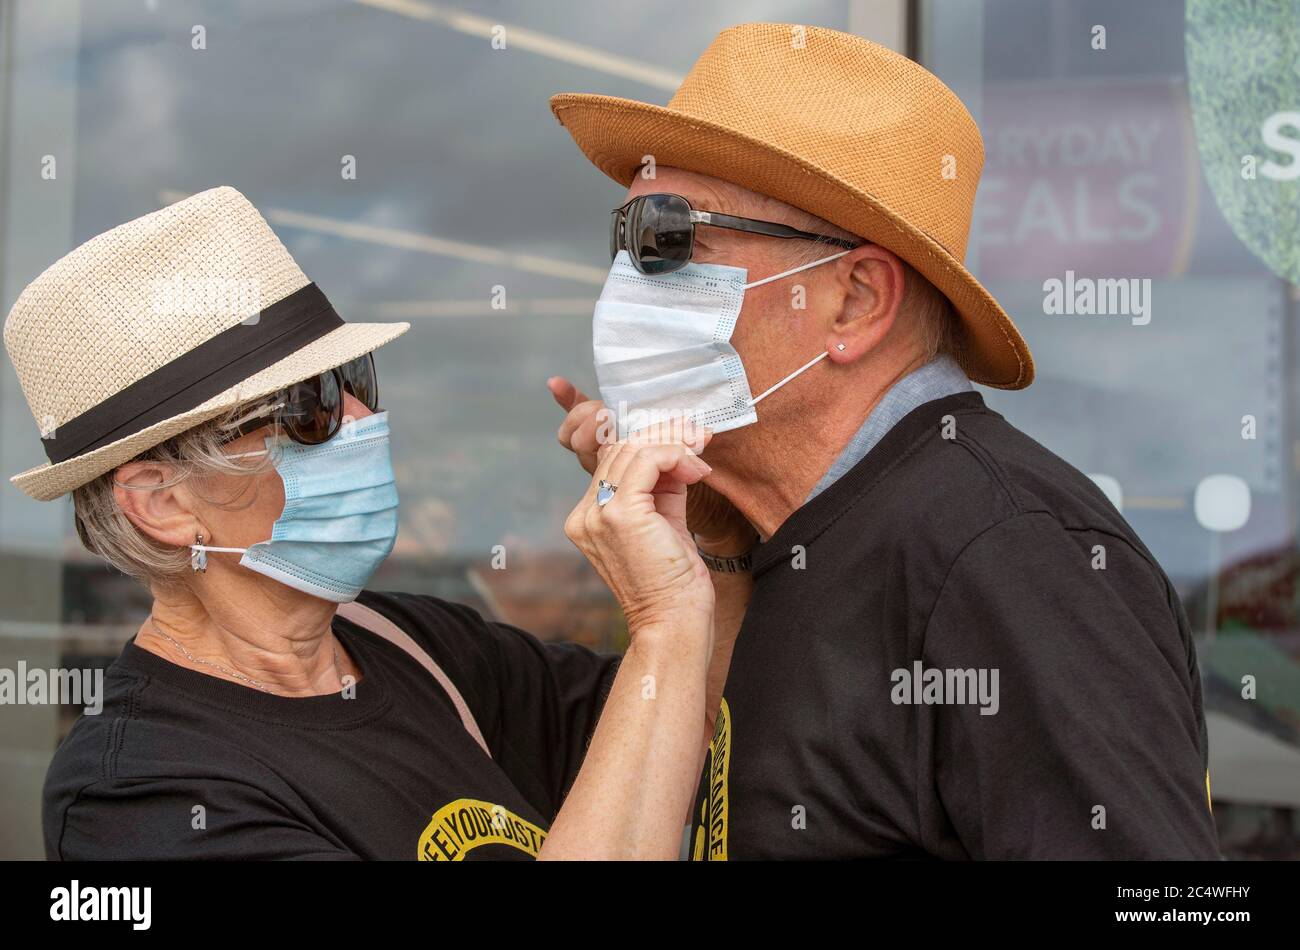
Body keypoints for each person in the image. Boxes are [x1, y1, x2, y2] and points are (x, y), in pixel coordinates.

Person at [547, 23, 1222, 859]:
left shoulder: (1014, 553)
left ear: (856, 301)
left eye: (673, 239)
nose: (627, 284)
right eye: (626, 239)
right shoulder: (780, 540)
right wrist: (709, 558)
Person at [10, 186, 718, 860]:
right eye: (308, 406)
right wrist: (662, 619)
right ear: (163, 502)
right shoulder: (137, 796)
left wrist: (702, 526)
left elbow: (704, 737)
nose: (363, 416)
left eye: (357, 380)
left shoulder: (414, 644)